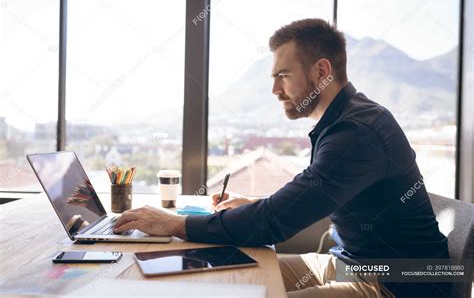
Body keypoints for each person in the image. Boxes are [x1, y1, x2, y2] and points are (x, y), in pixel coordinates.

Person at [114, 18, 450, 297]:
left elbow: (274, 222)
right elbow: (308, 198)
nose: (275, 90)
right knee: (216, 275)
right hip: (350, 264)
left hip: (398, 283)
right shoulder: (344, 121)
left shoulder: (356, 132)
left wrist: (175, 223)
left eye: (283, 76)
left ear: (321, 72)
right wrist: (251, 205)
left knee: (246, 291)